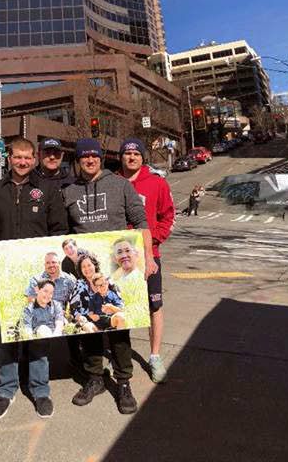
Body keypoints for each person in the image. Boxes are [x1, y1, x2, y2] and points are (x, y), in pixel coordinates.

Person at [0, 136, 67, 420]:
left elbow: (59, 230)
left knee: (38, 331)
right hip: (6, 274)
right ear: (9, 158)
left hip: (39, 276)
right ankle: (6, 390)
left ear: (34, 159)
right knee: (9, 333)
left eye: (28, 157)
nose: (23, 162)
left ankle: (40, 391)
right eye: (18, 157)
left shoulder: (48, 191)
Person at [63, 138, 155, 414]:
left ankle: (123, 382)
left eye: (94, 156)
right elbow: (60, 230)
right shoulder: (68, 191)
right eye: (84, 157)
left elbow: (140, 222)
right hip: (84, 271)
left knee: (118, 328)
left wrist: (148, 257)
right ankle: (94, 379)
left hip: (115, 269)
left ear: (101, 158)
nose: (89, 161)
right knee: (89, 326)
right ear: (78, 161)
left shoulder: (120, 185)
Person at [119, 138, 175, 383]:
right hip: (119, 258)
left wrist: (152, 241)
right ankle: (119, 357)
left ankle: (154, 356)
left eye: (136, 153)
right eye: (127, 153)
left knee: (154, 306)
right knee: (120, 306)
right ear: (120, 157)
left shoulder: (156, 183)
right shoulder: (111, 182)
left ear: (142, 157)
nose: (131, 157)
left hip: (149, 258)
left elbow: (168, 216)